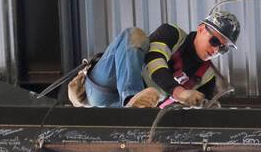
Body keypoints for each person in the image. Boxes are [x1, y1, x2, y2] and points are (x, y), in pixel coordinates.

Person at [69, 6, 240, 109]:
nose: (216, 49)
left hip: (129, 109)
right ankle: (131, 99)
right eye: (215, 41)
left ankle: (135, 108)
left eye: (223, 48)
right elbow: (154, 66)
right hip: (104, 87)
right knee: (134, 35)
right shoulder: (172, 34)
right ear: (202, 29)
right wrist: (180, 92)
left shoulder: (207, 77)